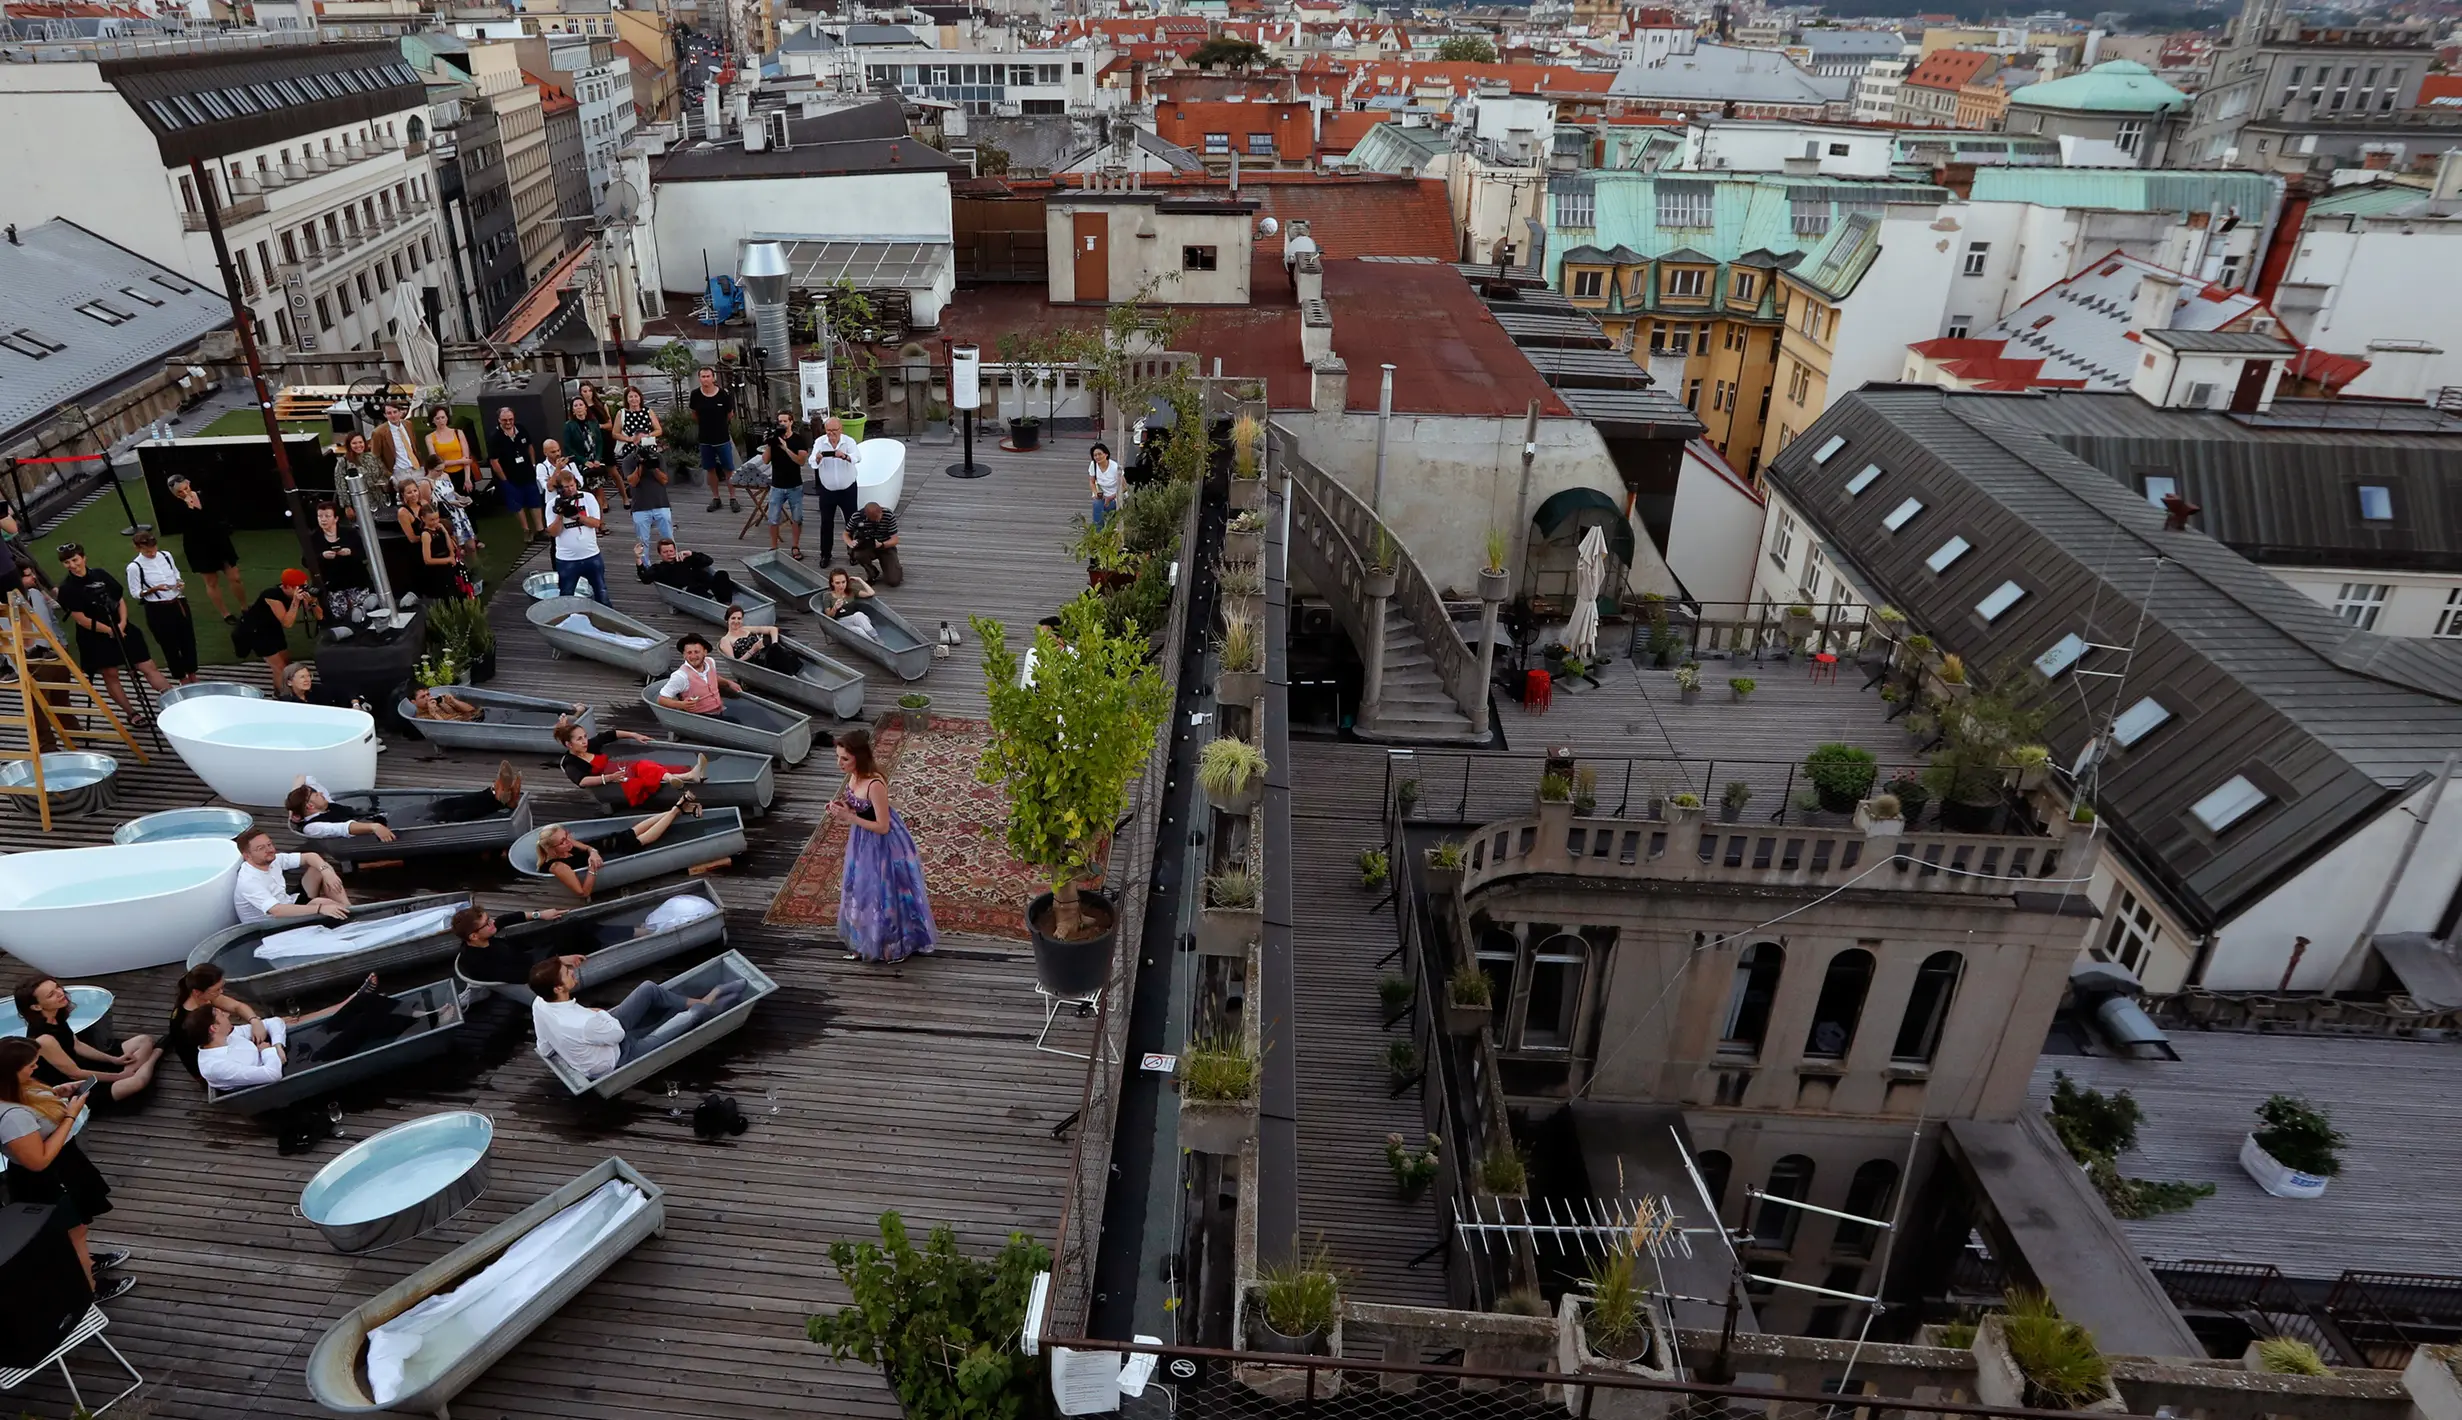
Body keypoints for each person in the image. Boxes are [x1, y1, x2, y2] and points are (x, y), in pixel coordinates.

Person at [0, 1038, 133, 1300]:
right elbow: (38, 1161)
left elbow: (34, 1108)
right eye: (30, 1065)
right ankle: (88, 1291)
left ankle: (87, 1263)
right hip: (47, 1178)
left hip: (66, 1166)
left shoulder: (17, 1088)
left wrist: (57, 1093)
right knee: (73, 1232)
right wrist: (71, 1115)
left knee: (78, 1226)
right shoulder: (12, 1116)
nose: (35, 1069)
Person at [528, 953, 747, 1077]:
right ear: (558, 988)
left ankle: (700, 1002)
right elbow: (618, 1034)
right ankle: (712, 997)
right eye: (567, 974)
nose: (572, 972)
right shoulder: (584, 1023)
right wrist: (599, 1013)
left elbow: (545, 1046)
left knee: (648, 989)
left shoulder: (539, 1003)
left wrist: (567, 1051)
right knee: (687, 1018)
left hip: (603, 1034)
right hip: (620, 1056)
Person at [183, 977, 415, 1090]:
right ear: (213, 1028)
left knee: (360, 1004)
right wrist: (270, 1051)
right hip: (293, 1072)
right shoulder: (217, 1065)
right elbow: (271, 1075)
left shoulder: (228, 1035)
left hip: (294, 1051)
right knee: (362, 1025)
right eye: (220, 1015)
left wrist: (278, 1045)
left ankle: (413, 1012)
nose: (226, 1015)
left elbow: (274, 1023)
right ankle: (425, 1021)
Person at [829, 727, 938, 963]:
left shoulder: (875, 783)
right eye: (838, 757)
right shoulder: (854, 775)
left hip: (882, 844)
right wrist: (844, 808)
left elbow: (883, 826)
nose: (840, 763)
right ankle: (866, 939)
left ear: (860, 757)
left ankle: (893, 942)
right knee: (860, 888)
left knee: (884, 891)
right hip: (862, 839)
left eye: (845, 758)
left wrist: (850, 818)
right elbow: (859, 808)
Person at [55, 541, 172, 722]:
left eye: (75, 560)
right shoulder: (67, 588)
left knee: (147, 665)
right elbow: (81, 619)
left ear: (84, 558)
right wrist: (110, 630)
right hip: (94, 635)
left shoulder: (100, 574)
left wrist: (122, 624)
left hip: (120, 625)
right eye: (67, 562)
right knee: (111, 674)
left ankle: (173, 700)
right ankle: (132, 713)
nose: (72, 565)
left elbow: (119, 600)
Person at [11, 977, 161, 1113]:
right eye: (51, 994)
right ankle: (154, 1057)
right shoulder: (43, 1039)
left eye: (57, 987)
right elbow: (75, 1073)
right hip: (71, 1086)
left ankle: (136, 1069)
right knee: (136, 1082)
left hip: (82, 1064)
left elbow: (77, 1045)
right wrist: (119, 1076)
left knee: (144, 1040)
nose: (60, 992)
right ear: (36, 1007)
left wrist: (113, 1060)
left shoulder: (55, 1016)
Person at [285, 763, 520, 841]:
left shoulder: (320, 804)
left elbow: (303, 776)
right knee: (447, 816)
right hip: (383, 829)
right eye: (314, 795)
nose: (320, 793)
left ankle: (494, 794)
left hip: (386, 817)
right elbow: (342, 829)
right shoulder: (313, 826)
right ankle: (499, 800)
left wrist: (293, 808)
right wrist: (374, 827)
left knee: (444, 804)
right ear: (310, 806)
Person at [531, 797, 701, 900]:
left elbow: (588, 848)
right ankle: (678, 808)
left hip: (603, 846)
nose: (569, 840)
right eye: (563, 840)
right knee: (641, 840)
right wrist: (592, 868)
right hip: (611, 856)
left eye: (567, 835)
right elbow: (583, 893)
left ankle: (678, 809)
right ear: (553, 849)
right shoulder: (557, 866)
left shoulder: (566, 842)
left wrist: (593, 853)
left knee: (630, 832)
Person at [656, 633, 788, 730]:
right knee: (735, 723)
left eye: (697, 652)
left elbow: (713, 677)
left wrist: (728, 683)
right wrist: (682, 705)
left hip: (719, 708)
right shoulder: (680, 676)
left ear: (705, 652)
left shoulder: (710, 662)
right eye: (689, 653)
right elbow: (661, 699)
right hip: (702, 717)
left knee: (756, 711)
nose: (693, 656)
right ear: (684, 655)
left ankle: (781, 731)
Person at [557, 720, 704, 805]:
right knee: (646, 771)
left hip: (624, 768)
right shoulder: (570, 763)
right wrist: (608, 778)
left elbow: (612, 734)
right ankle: (685, 776)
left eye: (584, 736)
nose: (584, 741)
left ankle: (681, 777)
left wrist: (634, 735)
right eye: (579, 739)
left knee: (646, 765)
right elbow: (582, 781)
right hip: (617, 779)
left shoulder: (590, 745)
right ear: (568, 744)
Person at [165, 475, 244, 623]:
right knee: (211, 581)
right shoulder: (176, 507)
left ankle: (245, 608)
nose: (185, 493)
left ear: (189, 484)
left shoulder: (205, 496)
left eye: (186, 488)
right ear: (175, 494)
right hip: (199, 547)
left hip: (219, 540)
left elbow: (217, 514)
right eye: (180, 492)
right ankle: (226, 614)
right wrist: (189, 508)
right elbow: (183, 527)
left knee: (235, 577)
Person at [124, 528, 198, 683]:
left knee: (188, 640)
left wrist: (179, 582)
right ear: (138, 548)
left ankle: (192, 674)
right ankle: (181, 677)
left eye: (153, 549)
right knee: (169, 644)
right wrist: (153, 589)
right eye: (147, 551)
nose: (152, 553)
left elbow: (175, 572)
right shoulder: (134, 567)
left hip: (178, 602)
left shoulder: (166, 555)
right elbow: (135, 592)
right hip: (158, 608)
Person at [232, 826, 350, 923]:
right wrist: (320, 909)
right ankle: (350, 918)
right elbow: (277, 911)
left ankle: (348, 907)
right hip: (273, 925)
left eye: (269, 844)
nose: (270, 850)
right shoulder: (249, 881)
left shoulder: (273, 860)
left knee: (321, 867)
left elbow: (310, 856)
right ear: (247, 856)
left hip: (289, 903)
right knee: (323, 903)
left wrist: (327, 872)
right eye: (261, 848)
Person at [167, 963, 257, 1078]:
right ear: (197, 992)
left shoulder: (203, 997)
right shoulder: (189, 1021)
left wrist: (255, 1020)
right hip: (210, 1066)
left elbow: (237, 1006)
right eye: (216, 989)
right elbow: (215, 1048)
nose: (221, 992)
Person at [615, 389, 670, 577]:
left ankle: (670, 564)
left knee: (668, 537)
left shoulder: (657, 456)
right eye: (630, 396)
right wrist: (639, 464)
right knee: (643, 539)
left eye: (636, 395)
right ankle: (645, 568)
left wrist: (652, 466)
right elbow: (633, 482)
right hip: (640, 505)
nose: (633, 398)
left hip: (660, 503)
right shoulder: (630, 459)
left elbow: (664, 480)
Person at [451, 904, 569, 987]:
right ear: (474, 936)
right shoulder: (480, 963)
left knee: (566, 927)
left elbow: (505, 920)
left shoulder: (481, 938)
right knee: (570, 936)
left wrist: (539, 915)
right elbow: (524, 976)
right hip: (532, 972)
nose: (493, 922)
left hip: (521, 955)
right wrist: (557, 961)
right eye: (487, 923)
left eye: (489, 919)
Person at [231, 571, 315, 684]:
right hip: (255, 631)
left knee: (286, 662)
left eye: (305, 586)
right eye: (300, 587)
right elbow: (287, 623)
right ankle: (280, 697)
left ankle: (280, 690)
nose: (303, 590)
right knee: (280, 669)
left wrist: (312, 602)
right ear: (288, 587)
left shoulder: (298, 594)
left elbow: (318, 616)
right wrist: (295, 601)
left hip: (272, 627)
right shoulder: (271, 595)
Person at [546, 466, 611, 606]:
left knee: (602, 592)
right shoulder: (552, 504)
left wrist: (577, 516)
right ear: (559, 489)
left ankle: (607, 621)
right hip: (567, 559)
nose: (570, 489)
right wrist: (560, 514)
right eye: (566, 487)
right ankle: (566, 623)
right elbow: (553, 532)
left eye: (572, 485)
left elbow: (596, 523)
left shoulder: (587, 498)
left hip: (591, 555)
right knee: (566, 594)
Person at [688, 365, 740, 513]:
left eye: (708, 376)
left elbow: (730, 414)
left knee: (729, 469)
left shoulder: (723, 395)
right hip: (705, 439)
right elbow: (694, 414)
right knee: (710, 469)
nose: (705, 379)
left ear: (713, 378)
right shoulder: (695, 395)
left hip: (722, 438)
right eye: (703, 376)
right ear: (699, 379)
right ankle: (716, 497)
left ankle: (733, 498)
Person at [810, 414, 861, 563]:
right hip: (828, 490)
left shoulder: (849, 441)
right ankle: (825, 555)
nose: (831, 434)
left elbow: (857, 457)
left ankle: (853, 553)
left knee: (852, 522)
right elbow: (812, 460)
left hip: (848, 489)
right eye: (828, 430)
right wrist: (818, 458)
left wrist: (844, 456)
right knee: (826, 523)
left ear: (841, 429)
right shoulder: (820, 442)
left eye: (834, 430)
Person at [311, 501, 371, 624]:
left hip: (355, 581)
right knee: (340, 617)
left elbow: (364, 553)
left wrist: (350, 552)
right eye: (320, 516)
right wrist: (322, 556)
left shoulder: (350, 533)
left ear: (336, 518)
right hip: (333, 585)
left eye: (327, 516)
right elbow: (306, 561)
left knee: (364, 613)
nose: (323, 519)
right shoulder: (314, 538)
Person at [489, 404, 544, 538]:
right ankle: (526, 531)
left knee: (534, 501)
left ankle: (540, 529)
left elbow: (529, 446)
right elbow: (494, 461)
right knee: (517, 505)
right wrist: (504, 479)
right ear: (499, 420)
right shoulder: (495, 437)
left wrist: (533, 464)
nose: (508, 423)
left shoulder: (521, 429)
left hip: (528, 473)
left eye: (510, 419)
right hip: (510, 477)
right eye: (504, 420)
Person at [761, 411, 809, 559]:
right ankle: (774, 547)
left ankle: (795, 546)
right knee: (773, 518)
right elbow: (765, 460)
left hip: (794, 485)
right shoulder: (774, 439)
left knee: (797, 518)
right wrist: (770, 443)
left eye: (784, 421)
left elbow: (801, 461)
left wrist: (785, 448)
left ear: (791, 422)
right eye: (779, 421)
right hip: (777, 485)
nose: (781, 424)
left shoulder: (798, 440)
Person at [645, 538, 740, 604]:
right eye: (665, 552)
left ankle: (727, 603)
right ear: (660, 554)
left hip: (706, 584)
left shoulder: (686, 558)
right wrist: (638, 560)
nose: (669, 554)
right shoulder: (658, 568)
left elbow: (709, 561)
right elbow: (645, 579)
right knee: (694, 588)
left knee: (722, 574)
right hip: (690, 591)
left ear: (675, 550)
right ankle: (718, 604)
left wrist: (692, 554)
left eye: (671, 551)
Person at [720, 602, 806, 672]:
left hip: (765, 654)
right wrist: (753, 650)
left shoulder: (745, 629)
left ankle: (793, 671)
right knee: (780, 654)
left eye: (739, 618)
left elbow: (772, 629)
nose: (736, 621)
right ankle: (794, 673)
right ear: (727, 620)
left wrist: (774, 644)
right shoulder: (725, 640)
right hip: (755, 664)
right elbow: (735, 663)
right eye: (733, 618)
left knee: (777, 649)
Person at [563, 395, 615, 504]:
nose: (578, 407)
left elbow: (600, 442)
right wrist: (583, 461)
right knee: (586, 493)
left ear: (585, 407)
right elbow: (568, 447)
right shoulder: (569, 426)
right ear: (572, 410)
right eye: (575, 406)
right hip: (580, 462)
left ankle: (600, 518)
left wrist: (597, 458)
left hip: (594, 461)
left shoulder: (593, 422)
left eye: (581, 405)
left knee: (599, 490)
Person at [371, 399, 427, 496]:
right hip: (399, 471)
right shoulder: (378, 433)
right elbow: (375, 457)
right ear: (385, 415)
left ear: (400, 412)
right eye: (389, 413)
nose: (393, 415)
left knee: (424, 495)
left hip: (416, 468)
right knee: (408, 497)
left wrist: (421, 465)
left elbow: (414, 446)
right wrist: (390, 475)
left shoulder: (408, 424)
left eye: (395, 412)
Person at [416, 504, 469, 602]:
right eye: (432, 520)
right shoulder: (426, 534)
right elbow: (427, 560)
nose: (435, 522)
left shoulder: (439, 529)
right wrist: (448, 559)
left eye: (437, 518)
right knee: (446, 597)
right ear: (423, 518)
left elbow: (450, 547)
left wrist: (445, 532)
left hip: (448, 567)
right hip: (437, 570)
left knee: (456, 594)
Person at [845, 500, 903, 587]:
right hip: (867, 545)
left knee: (893, 581)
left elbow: (895, 540)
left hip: (885, 545)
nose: (876, 521)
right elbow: (846, 533)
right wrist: (850, 542)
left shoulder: (888, 515)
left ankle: (894, 568)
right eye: (873, 519)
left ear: (881, 511)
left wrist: (882, 544)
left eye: (878, 518)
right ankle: (872, 573)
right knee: (858, 554)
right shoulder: (857, 516)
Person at [425, 405, 479, 495]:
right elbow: (435, 462)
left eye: (443, 417)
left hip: (463, 473)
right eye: (437, 418)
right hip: (444, 475)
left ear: (447, 418)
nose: (441, 421)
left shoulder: (458, 433)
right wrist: (460, 461)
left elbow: (466, 458)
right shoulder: (429, 438)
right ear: (433, 420)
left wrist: (467, 478)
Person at [330, 430, 389, 509]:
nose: (358, 445)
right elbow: (340, 486)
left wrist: (382, 483)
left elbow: (383, 473)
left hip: (379, 500)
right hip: (360, 503)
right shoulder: (343, 462)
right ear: (349, 445)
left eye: (360, 442)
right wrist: (347, 506)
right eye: (354, 443)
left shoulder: (372, 456)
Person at [818, 566, 880, 640]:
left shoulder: (850, 591)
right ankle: (873, 644)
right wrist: (835, 608)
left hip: (855, 618)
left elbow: (871, 593)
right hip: (841, 623)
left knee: (858, 615)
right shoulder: (828, 596)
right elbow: (829, 615)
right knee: (858, 630)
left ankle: (876, 638)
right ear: (832, 583)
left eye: (843, 582)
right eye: (837, 583)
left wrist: (860, 580)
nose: (841, 585)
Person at [1088, 442, 1122, 529]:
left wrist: (1111, 497)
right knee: (1097, 504)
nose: (1097, 457)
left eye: (1100, 454)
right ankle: (1098, 533)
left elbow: (1124, 487)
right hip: (1102, 495)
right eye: (1095, 455)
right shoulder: (1093, 465)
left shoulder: (1115, 467)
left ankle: (1109, 531)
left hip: (1115, 496)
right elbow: (1092, 482)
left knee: (1107, 508)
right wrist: (1096, 493)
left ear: (1106, 454)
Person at [410, 686, 485, 721]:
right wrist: (434, 714)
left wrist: (453, 701)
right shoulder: (421, 718)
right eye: (423, 697)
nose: (428, 698)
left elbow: (471, 709)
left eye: (428, 694)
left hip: (473, 718)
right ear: (414, 702)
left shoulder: (438, 702)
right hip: (465, 727)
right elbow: (446, 729)